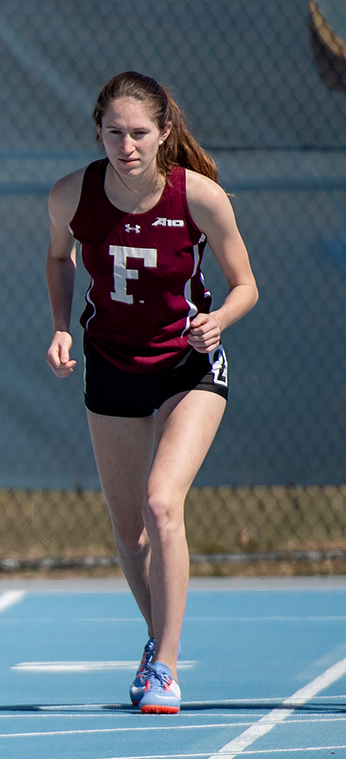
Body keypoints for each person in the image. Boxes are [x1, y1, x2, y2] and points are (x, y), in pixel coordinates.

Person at [45, 72, 257, 714]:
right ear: (98, 133)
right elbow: (59, 259)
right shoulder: (71, 196)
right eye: (115, 133)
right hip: (111, 366)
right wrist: (60, 326)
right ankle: (153, 637)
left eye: (140, 133)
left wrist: (219, 320)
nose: (127, 145)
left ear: (164, 132)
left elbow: (246, 284)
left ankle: (166, 663)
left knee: (163, 503)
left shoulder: (199, 197)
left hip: (187, 367)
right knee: (130, 529)